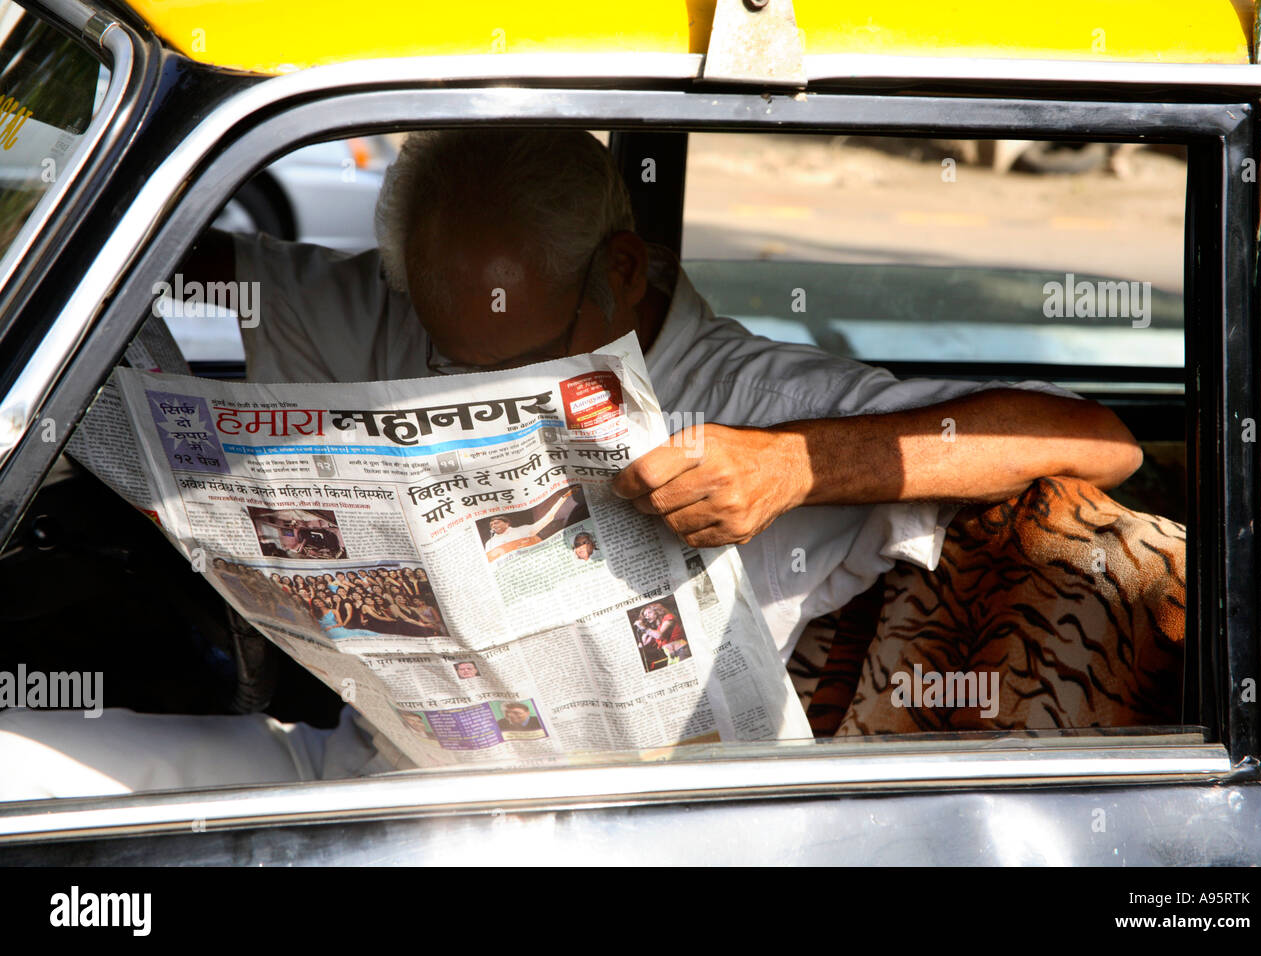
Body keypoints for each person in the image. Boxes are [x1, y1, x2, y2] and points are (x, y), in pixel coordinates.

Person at [0, 128, 1145, 800]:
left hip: (609, 833)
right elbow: (181, 246)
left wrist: (800, 466)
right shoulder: (394, 300)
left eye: (511, 344)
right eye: (441, 335)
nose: (453, 356)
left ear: (620, 269)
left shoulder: (758, 399)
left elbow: (1103, 439)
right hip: (362, 773)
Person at [482, 488, 579, 562]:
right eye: (491, 524)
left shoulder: (521, 530)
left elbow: (548, 518)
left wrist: (563, 498)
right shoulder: (489, 543)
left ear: (507, 524)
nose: (494, 525)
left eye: (496, 522)